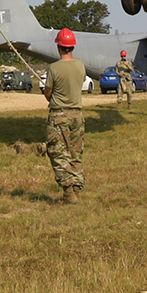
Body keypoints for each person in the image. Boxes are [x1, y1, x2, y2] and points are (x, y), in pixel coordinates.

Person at [41, 28, 87, 203]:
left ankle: (68, 193)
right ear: (72, 46)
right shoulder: (81, 66)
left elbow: (48, 93)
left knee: (58, 152)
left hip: (59, 115)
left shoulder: (53, 68)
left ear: (59, 46)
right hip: (77, 115)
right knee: (76, 152)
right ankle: (76, 188)